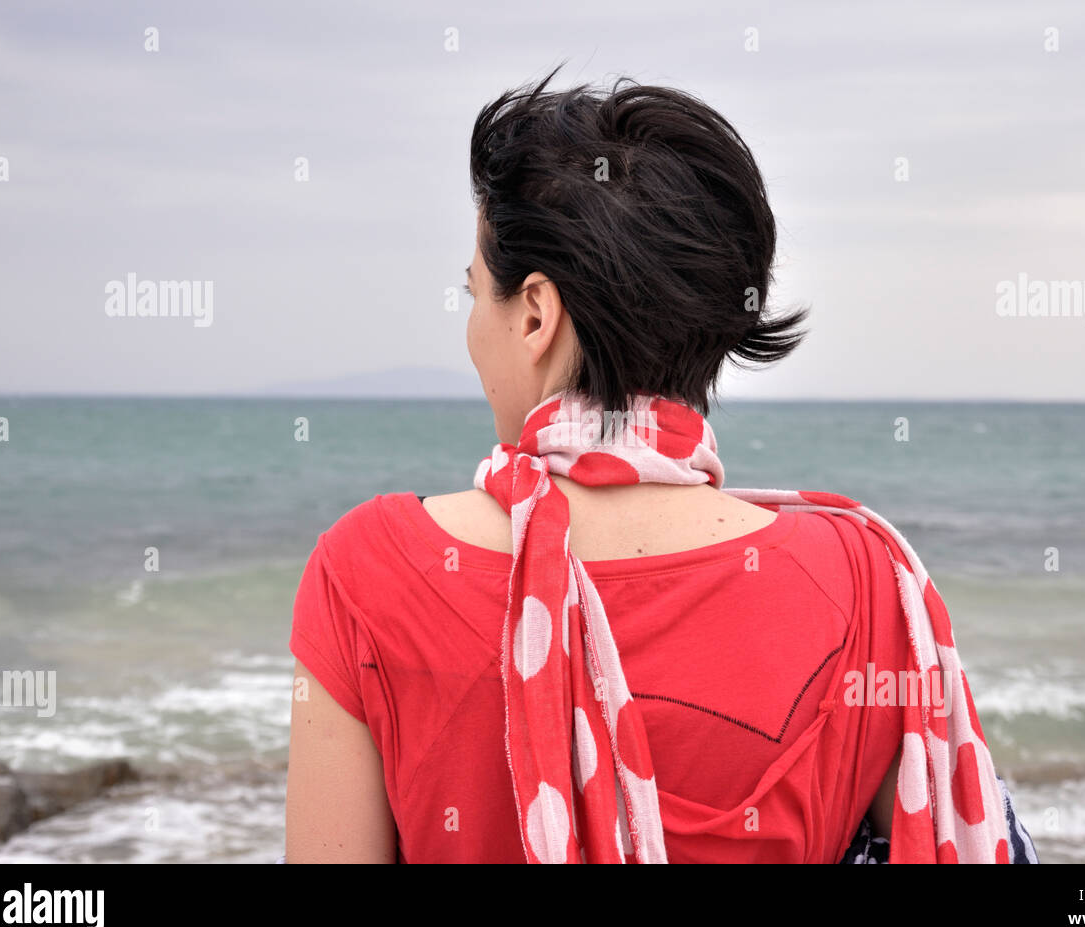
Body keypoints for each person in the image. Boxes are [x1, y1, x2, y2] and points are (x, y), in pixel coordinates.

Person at [284, 66, 1035, 863]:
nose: (473, 328)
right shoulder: (872, 585)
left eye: (475, 293)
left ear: (536, 313)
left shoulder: (369, 573)